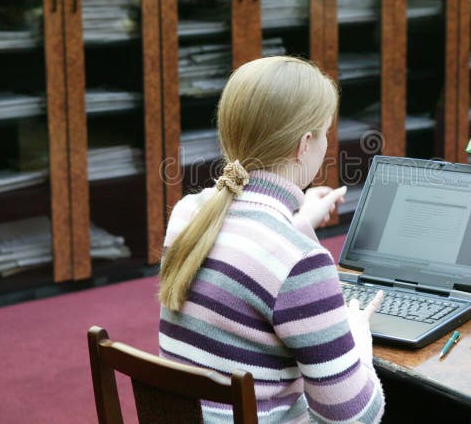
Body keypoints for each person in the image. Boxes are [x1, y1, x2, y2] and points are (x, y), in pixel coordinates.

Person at [158, 56, 386, 423]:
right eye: (326, 132)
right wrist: (358, 337)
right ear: (304, 144)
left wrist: (295, 221)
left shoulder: (188, 213)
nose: (328, 143)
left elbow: (247, 254)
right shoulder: (301, 262)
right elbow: (354, 416)